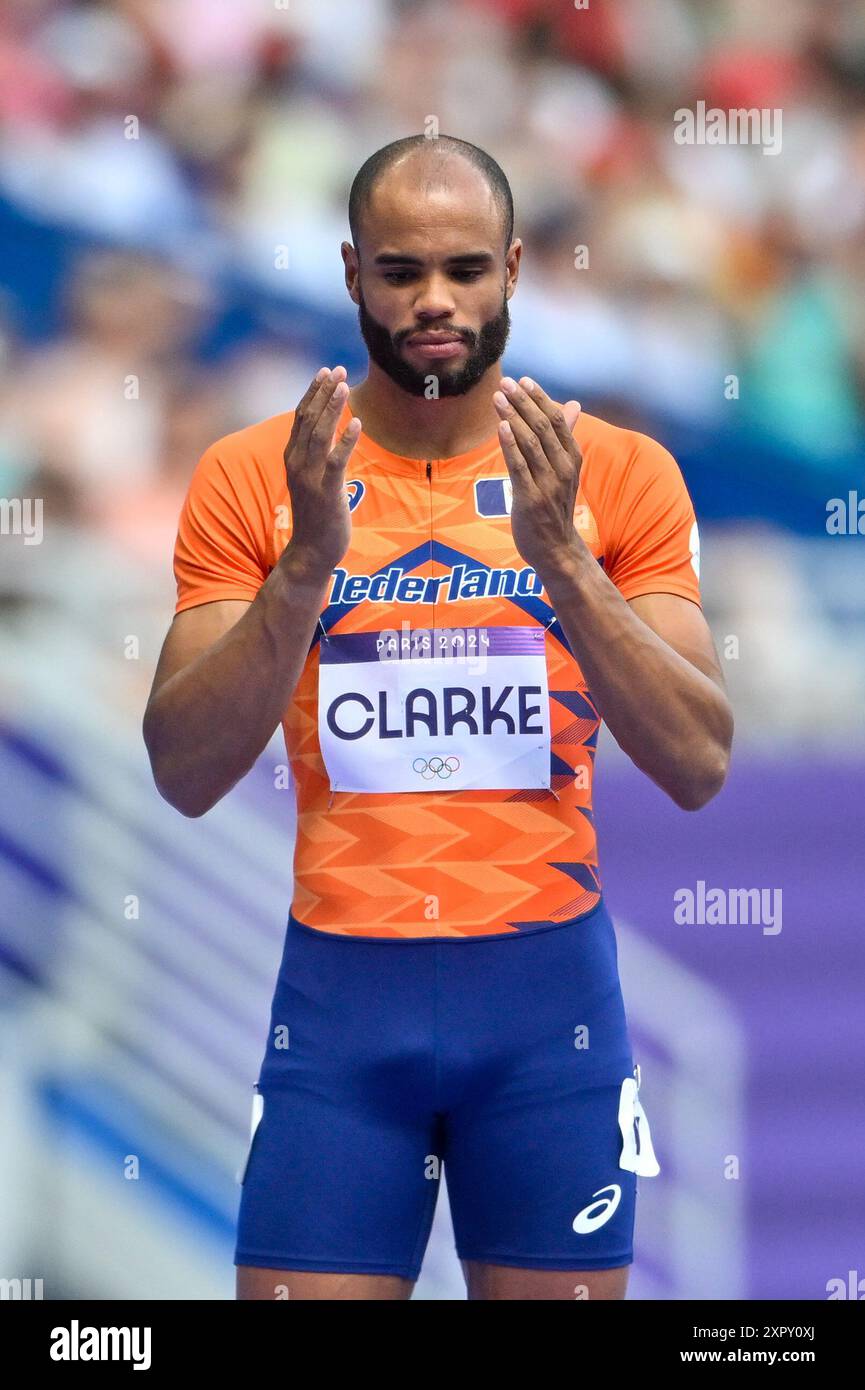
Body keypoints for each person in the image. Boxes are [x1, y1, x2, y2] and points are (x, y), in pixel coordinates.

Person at [143, 134, 733, 1301]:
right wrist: (304, 569)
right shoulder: (257, 476)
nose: (434, 302)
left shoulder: (613, 475)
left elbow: (698, 759)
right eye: (401, 271)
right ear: (351, 272)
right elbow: (184, 767)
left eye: (465, 269)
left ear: (514, 268)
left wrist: (563, 558)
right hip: (338, 1017)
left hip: (547, 1018)